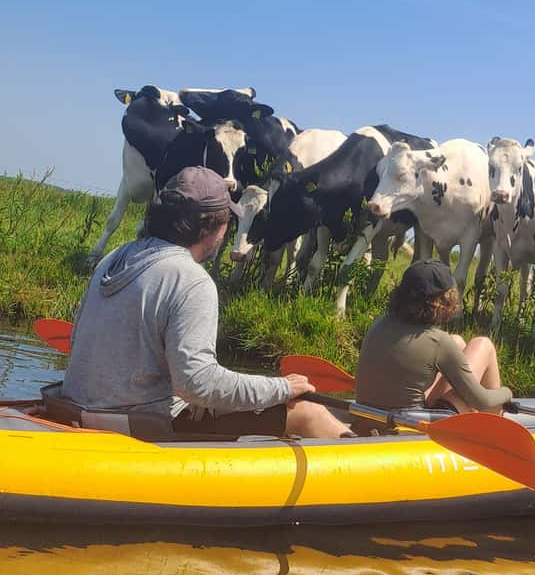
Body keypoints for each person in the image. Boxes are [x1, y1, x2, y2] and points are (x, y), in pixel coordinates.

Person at [62, 166, 352, 439]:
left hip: (78, 410)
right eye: (228, 220)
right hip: (138, 426)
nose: (227, 231)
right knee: (307, 412)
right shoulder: (191, 279)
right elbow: (197, 384)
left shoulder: (115, 256)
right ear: (211, 225)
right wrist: (282, 387)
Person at [355, 260, 511, 417]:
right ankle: (494, 422)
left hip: (369, 416)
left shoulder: (380, 323)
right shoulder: (438, 341)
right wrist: (506, 393)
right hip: (411, 427)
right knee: (483, 344)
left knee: (457, 341)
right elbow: (480, 400)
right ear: (444, 300)